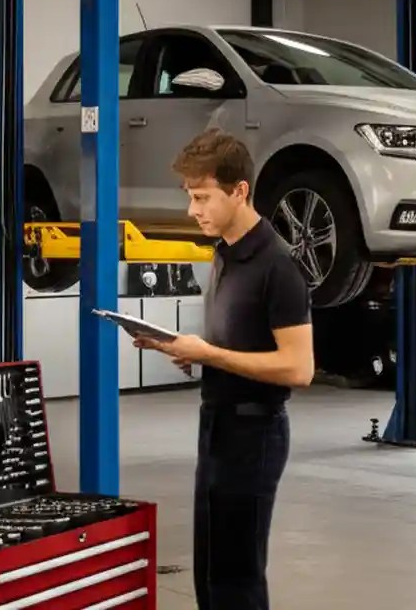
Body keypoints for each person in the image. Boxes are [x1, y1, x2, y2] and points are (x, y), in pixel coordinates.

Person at [134, 127, 314, 610]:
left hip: (255, 433)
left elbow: (299, 368)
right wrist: (187, 350)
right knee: (210, 571)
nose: (193, 210)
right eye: (190, 197)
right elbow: (235, 341)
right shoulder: (224, 254)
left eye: (202, 197)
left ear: (240, 191)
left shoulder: (277, 267)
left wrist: (210, 354)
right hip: (216, 422)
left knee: (237, 576)